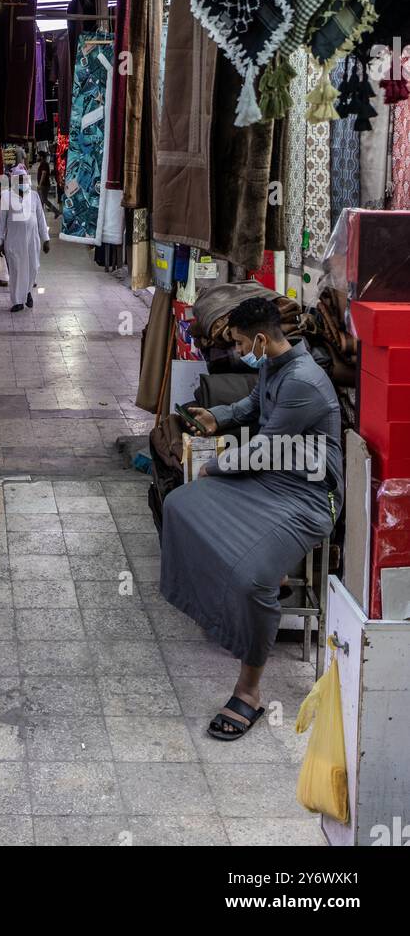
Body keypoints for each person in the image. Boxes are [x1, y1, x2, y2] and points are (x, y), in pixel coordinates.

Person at [160, 296, 343, 743]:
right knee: (181, 505)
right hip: (273, 476)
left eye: (242, 344)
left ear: (261, 339)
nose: (240, 352)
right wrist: (216, 417)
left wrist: (213, 466)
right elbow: (251, 406)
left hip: (308, 495)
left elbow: (263, 446)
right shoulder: (275, 365)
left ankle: (249, 689)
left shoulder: (304, 381)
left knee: (249, 578)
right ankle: (227, 609)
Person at [0, 173, 50, 312]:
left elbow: (41, 217)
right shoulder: (7, 196)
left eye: (24, 180)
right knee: (16, 270)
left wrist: (46, 239)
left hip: (32, 240)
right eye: (19, 180)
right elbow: (1, 220)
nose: (22, 182)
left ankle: (27, 292)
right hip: (14, 240)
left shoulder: (34, 196)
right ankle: (17, 301)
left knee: (33, 268)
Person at [36, 148, 61, 217]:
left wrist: (40, 185)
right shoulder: (43, 163)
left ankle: (40, 215)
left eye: (38, 156)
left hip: (44, 185)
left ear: (41, 157)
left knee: (43, 200)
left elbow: (44, 173)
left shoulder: (44, 164)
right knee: (43, 200)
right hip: (44, 185)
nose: (37, 157)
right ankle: (54, 212)